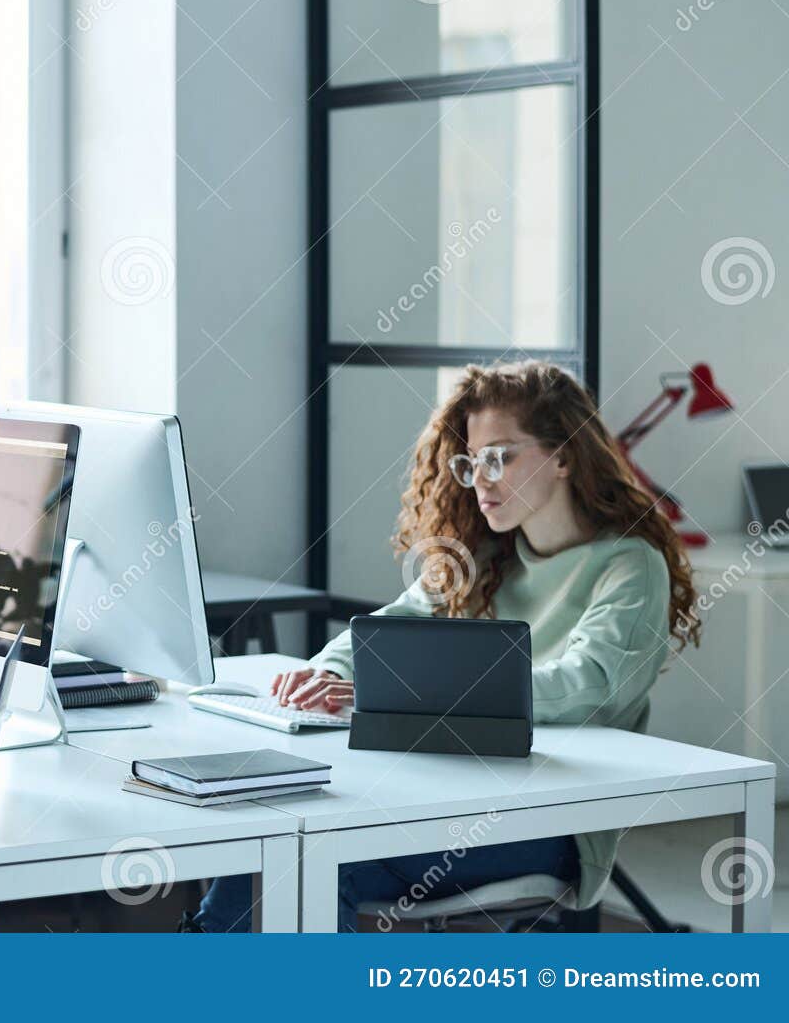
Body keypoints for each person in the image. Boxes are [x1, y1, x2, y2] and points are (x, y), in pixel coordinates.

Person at [191, 360, 699, 933]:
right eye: (472, 462)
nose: (481, 478)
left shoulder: (631, 567)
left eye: (500, 457)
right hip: (445, 793)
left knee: (311, 855)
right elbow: (388, 630)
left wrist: (406, 692)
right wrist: (318, 675)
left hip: (548, 822)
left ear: (564, 455)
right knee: (274, 842)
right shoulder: (483, 555)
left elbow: (588, 686)